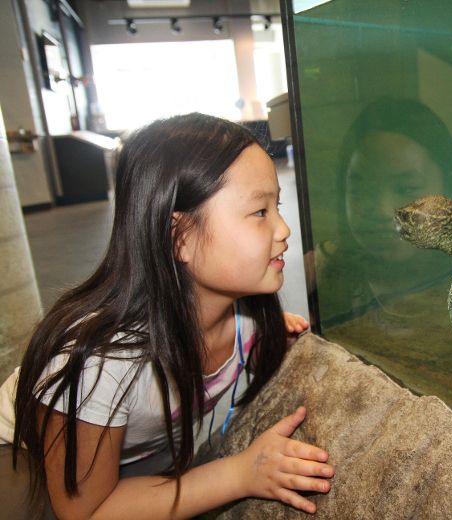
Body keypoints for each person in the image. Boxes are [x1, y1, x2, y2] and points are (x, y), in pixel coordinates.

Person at [2, 113, 334, 518]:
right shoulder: (102, 358)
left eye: (277, 206)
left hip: (135, 450)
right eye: (260, 212)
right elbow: (86, 513)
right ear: (179, 236)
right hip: (22, 454)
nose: (284, 229)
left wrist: (263, 336)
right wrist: (242, 474)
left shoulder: (247, 318)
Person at [316, 97, 452, 326]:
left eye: (406, 189)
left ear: (448, 187)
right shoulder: (323, 272)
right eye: (360, 189)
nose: (382, 210)